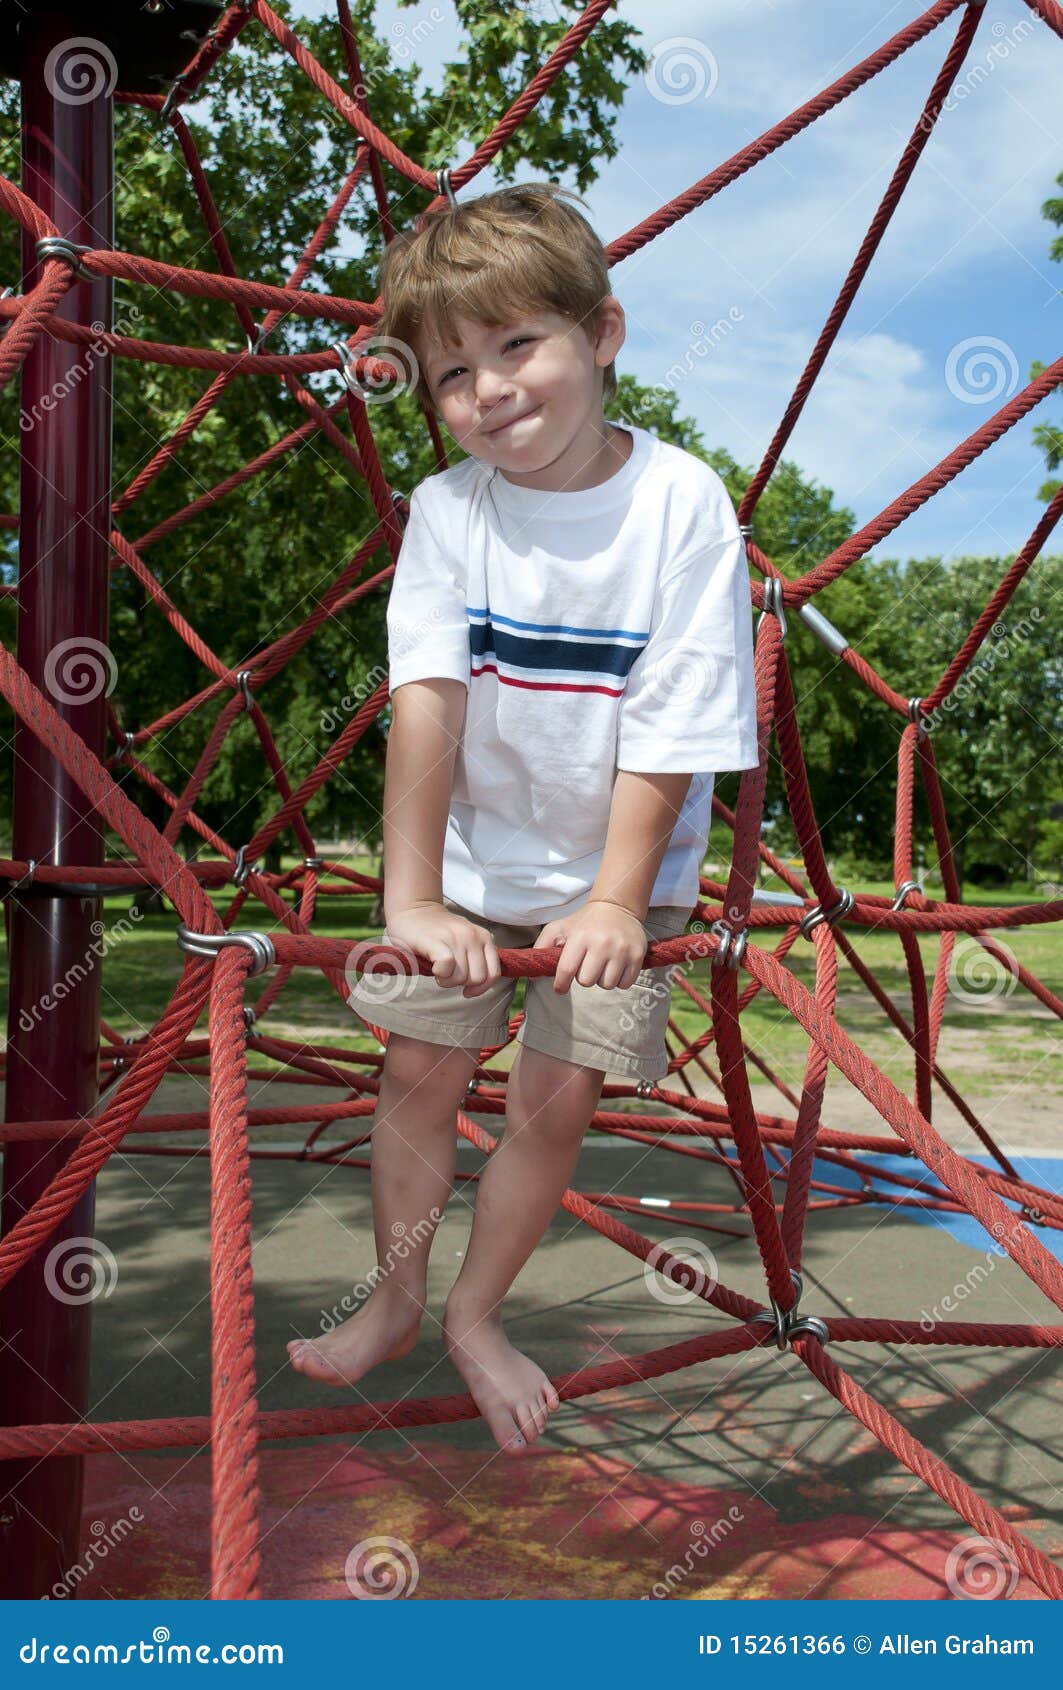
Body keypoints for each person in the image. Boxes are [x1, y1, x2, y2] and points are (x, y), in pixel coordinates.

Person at [287, 181, 759, 1452]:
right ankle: (393, 1296)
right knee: (417, 1075)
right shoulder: (451, 513)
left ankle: (475, 1314)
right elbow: (427, 706)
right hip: (475, 852)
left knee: (554, 1102)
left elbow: (674, 721)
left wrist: (612, 898)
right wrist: (413, 898)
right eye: (450, 373)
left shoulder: (682, 505)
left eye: (517, 346)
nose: (487, 390)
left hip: (626, 863)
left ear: (601, 333)